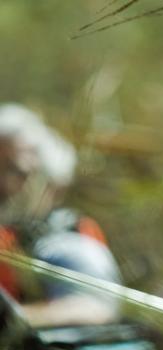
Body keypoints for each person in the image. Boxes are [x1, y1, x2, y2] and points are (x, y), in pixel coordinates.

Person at [0, 104, 123, 328]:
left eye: (17, 172)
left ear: (53, 187)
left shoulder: (64, 242)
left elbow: (94, 306)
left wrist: (17, 319)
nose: (4, 184)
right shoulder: (6, 233)